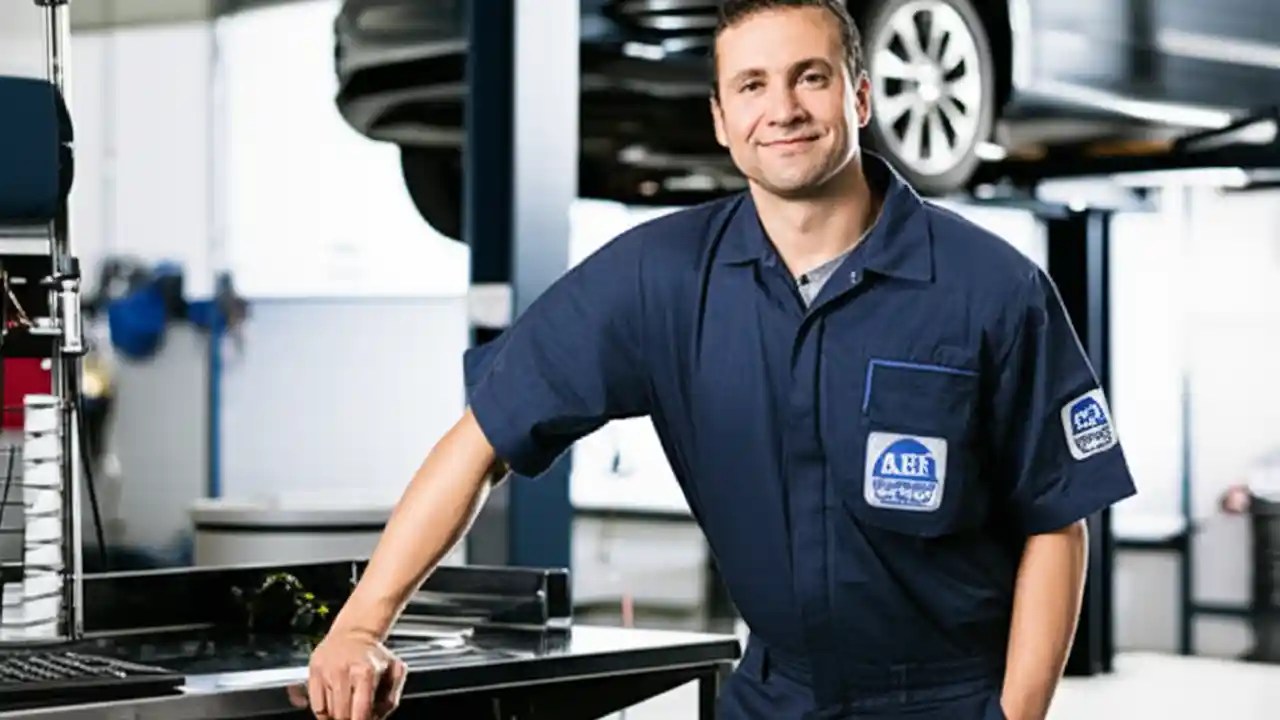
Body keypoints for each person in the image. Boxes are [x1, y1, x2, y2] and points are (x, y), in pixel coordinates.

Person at [296, 1, 1138, 718]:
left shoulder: (991, 288)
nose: (784, 108)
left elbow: (1055, 521)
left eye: (810, 77)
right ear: (721, 119)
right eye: (752, 85)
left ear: (861, 95)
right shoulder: (658, 279)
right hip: (772, 694)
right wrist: (363, 624)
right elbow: (483, 437)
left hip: (945, 697)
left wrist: (1014, 716)